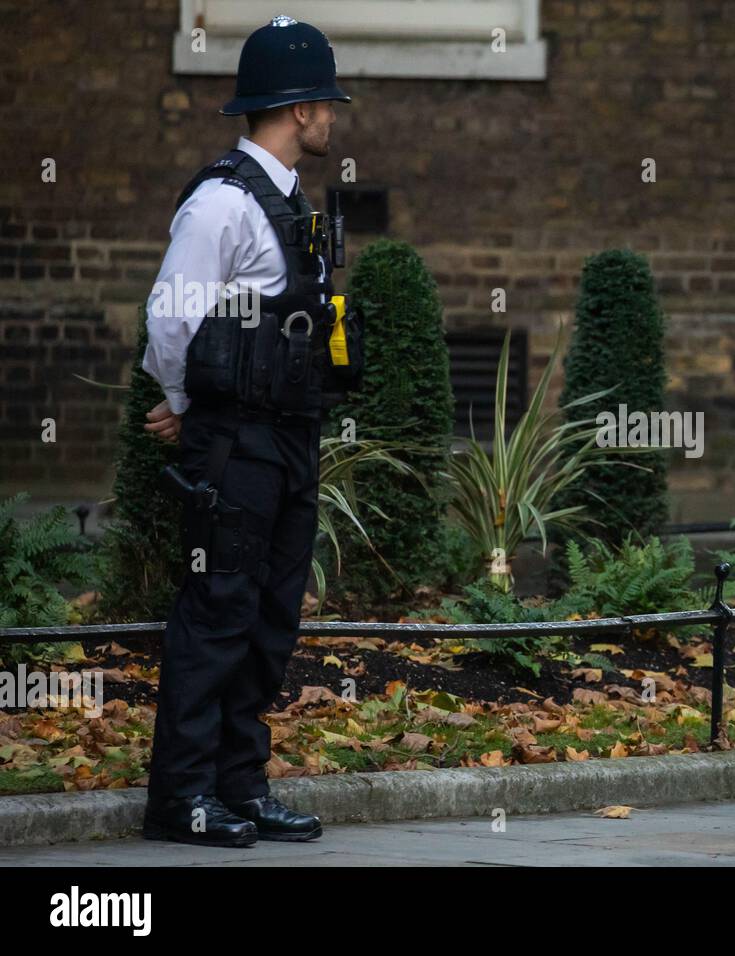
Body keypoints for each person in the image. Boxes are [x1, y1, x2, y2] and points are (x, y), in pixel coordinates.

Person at [140, 15, 362, 847]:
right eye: (326, 103)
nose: (333, 117)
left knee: (269, 620)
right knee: (216, 615)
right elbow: (170, 320)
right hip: (235, 446)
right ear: (300, 108)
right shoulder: (221, 205)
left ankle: (238, 785)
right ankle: (182, 797)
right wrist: (187, 403)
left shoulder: (287, 199)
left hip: (288, 441)